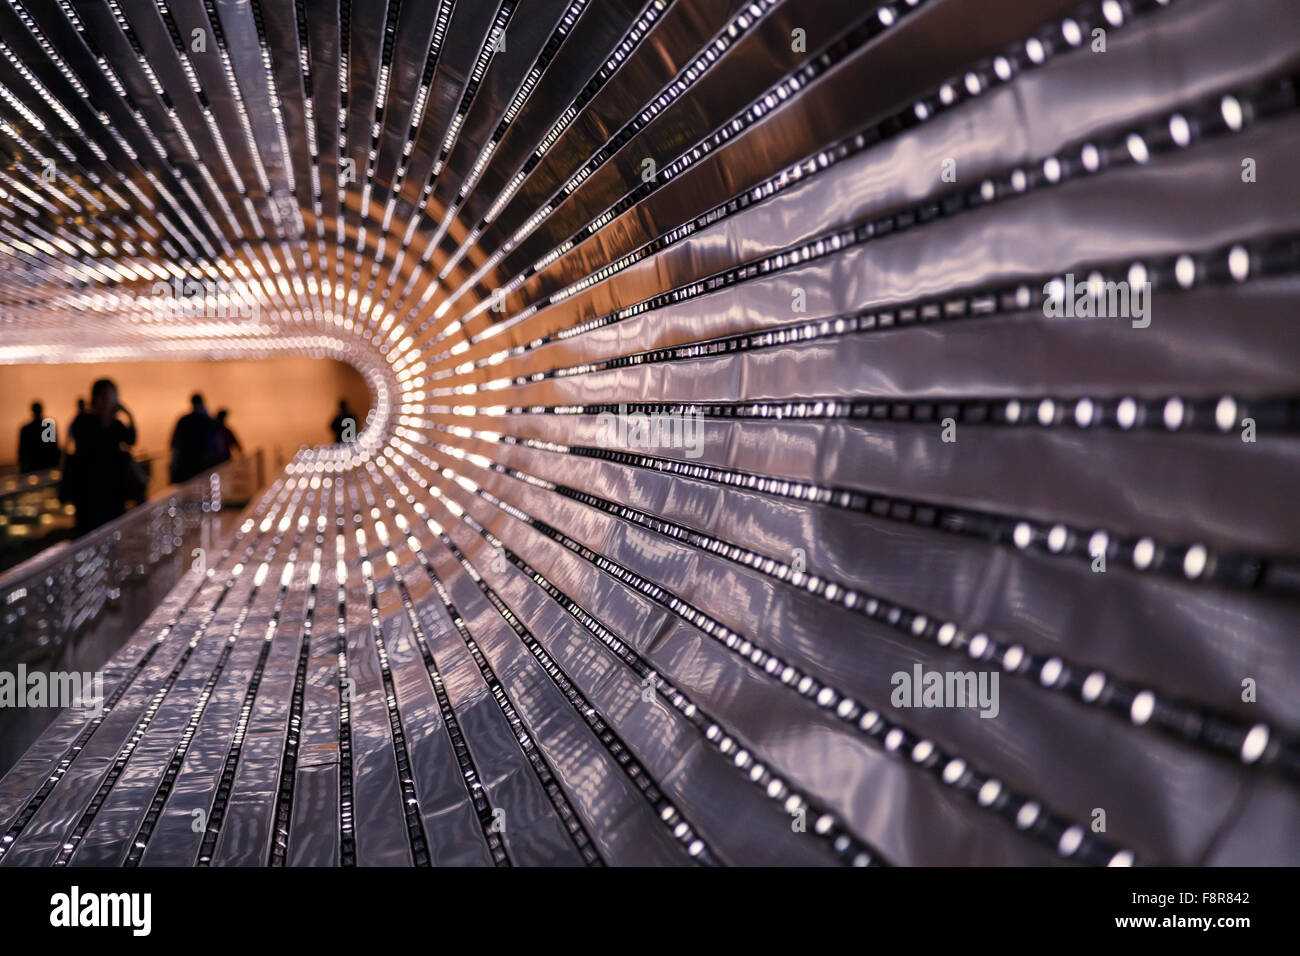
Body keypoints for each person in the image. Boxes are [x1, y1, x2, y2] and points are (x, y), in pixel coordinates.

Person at [64, 379, 140, 536]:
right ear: (97, 398)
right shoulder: (83, 421)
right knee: (89, 534)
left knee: (112, 535)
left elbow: (131, 440)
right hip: (89, 493)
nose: (112, 401)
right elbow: (86, 449)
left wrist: (128, 415)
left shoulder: (115, 424)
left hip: (112, 492)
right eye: (109, 396)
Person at [169, 393, 218, 483]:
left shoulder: (183, 420)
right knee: (204, 485)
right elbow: (215, 441)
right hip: (203, 460)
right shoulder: (207, 420)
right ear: (202, 403)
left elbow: (174, 442)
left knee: (187, 487)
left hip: (186, 460)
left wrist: (173, 462)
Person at [18, 401, 60, 473]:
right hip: (46, 466)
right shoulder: (49, 426)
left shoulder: (26, 429)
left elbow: (22, 453)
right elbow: (55, 449)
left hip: (33, 467)